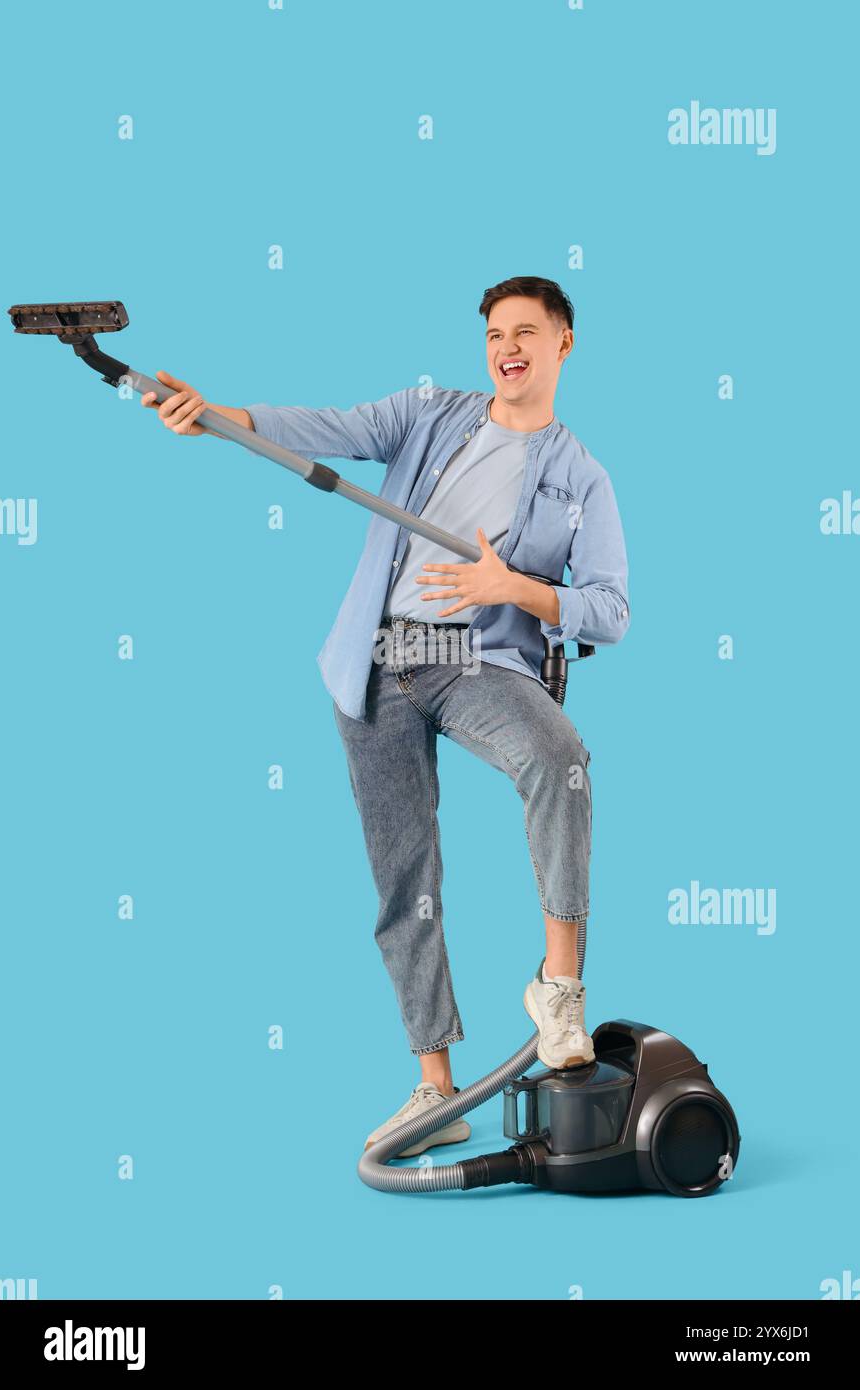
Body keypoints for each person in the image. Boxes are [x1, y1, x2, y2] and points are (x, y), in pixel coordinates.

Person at [140, 275, 630, 1157]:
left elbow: (611, 610)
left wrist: (511, 587)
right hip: (374, 660)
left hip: (473, 663)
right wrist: (219, 417)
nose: (507, 348)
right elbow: (326, 429)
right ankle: (436, 1089)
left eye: (525, 332)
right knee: (405, 878)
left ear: (564, 343)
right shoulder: (430, 413)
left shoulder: (581, 478)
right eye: (494, 334)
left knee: (559, 758)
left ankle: (559, 990)